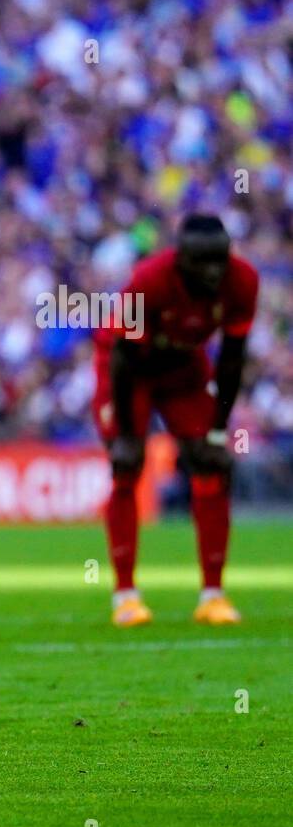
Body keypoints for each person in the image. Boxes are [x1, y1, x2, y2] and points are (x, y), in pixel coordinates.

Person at [92, 215, 257, 627]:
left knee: (211, 461)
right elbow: (122, 356)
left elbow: (233, 358)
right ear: (180, 259)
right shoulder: (150, 280)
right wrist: (129, 432)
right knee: (127, 463)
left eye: (220, 261)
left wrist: (219, 430)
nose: (214, 272)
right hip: (129, 367)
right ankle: (126, 596)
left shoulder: (243, 281)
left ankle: (213, 595)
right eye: (204, 263)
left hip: (184, 367)